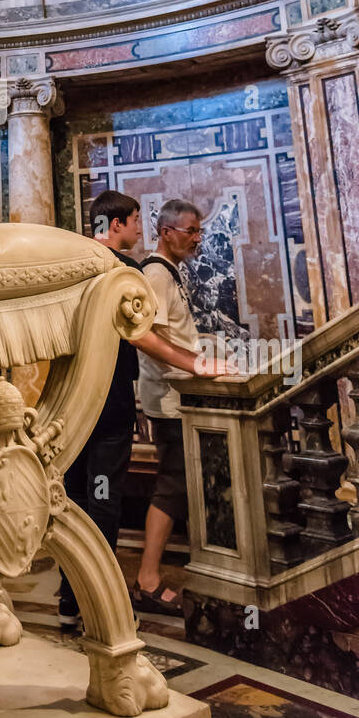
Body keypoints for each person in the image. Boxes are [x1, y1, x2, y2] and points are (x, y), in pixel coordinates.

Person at [56, 190, 235, 628]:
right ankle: (101, 603)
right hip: (107, 402)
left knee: (74, 501)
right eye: (135, 220)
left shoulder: (71, 263)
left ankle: (71, 600)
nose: (140, 229)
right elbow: (138, 334)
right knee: (103, 502)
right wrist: (196, 363)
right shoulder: (125, 270)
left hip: (68, 403)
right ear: (115, 224)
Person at [133, 198, 237, 617]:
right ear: (166, 232)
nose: (198, 238)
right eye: (191, 231)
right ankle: (147, 580)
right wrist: (196, 363)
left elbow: (174, 331)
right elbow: (145, 336)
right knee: (173, 484)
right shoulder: (156, 273)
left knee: (183, 483)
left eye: (199, 230)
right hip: (169, 400)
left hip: (180, 397)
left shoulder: (171, 273)